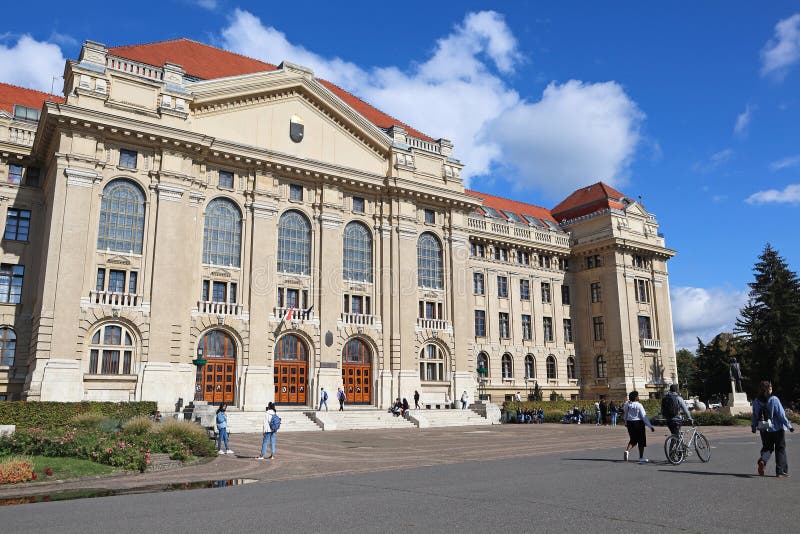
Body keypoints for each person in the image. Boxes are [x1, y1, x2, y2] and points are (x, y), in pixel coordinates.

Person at [751, 381, 794, 477]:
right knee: (780, 448)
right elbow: (781, 414)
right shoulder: (774, 399)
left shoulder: (756, 401)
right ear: (768, 389)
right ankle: (780, 471)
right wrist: (789, 426)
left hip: (764, 428)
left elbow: (755, 415)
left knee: (767, 448)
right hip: (777, 428)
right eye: (770, 388)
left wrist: (754, 426)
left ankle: (763, 460)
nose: (771, 389)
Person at [622, 391, 654, 463]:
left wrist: (626, 422)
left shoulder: (627, 405)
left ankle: (627, 451)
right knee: (641, 441)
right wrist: (650, 426)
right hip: (638, 423)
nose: (638, 397)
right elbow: (644, 416)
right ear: (636, 397)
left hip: (630, 423)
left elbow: (625, 415)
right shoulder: (639, 405)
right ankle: (641, 457)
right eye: (638, 396)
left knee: (633, 439)